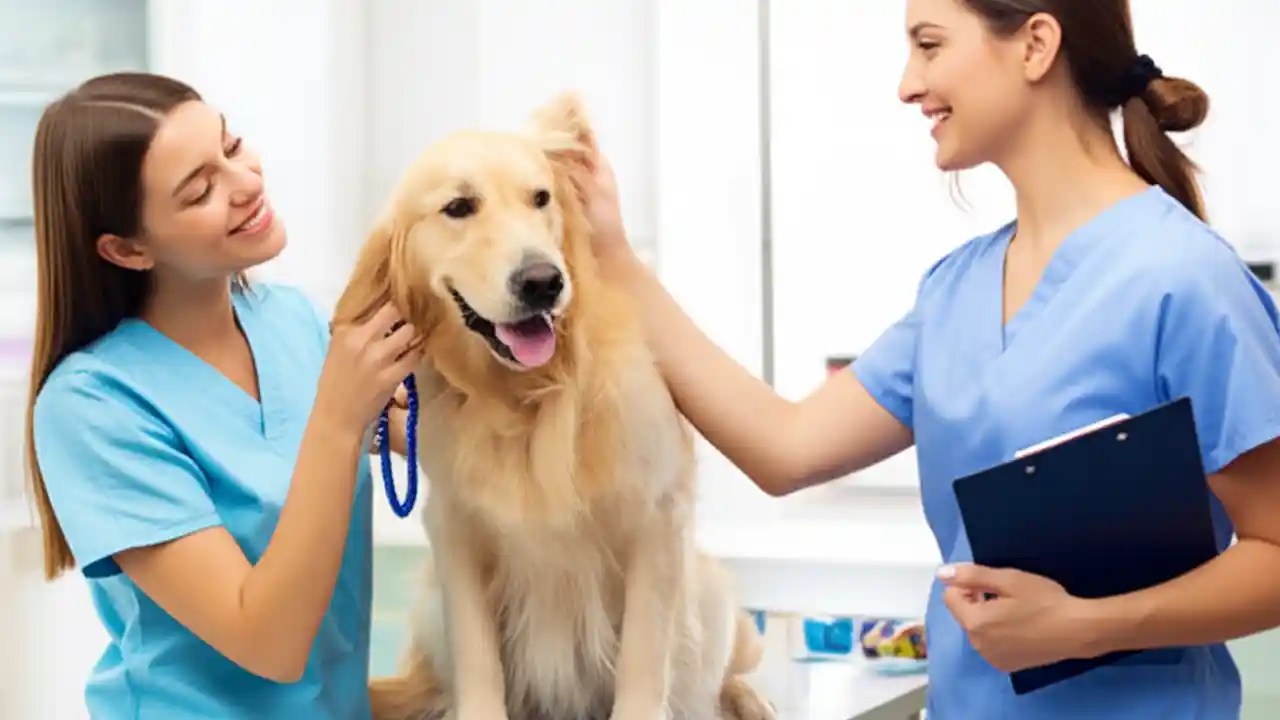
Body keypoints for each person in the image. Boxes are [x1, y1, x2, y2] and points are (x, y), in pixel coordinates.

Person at [574, 0, 1280, 717]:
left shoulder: (1184, 280)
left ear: (1035, 45)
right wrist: (615, 258)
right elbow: (783, 449)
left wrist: (1088, 627)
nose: (908, 85)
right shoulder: (955, 291)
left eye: (930, 45)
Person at [23, 72, 422, 718]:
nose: (246, 184)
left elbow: (447, 437)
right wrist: (341, 417)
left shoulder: (293, 321)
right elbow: (268, 642)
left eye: (231, 147)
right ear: (127, 248)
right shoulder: (90, 407)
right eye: (202, 190)